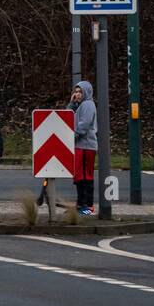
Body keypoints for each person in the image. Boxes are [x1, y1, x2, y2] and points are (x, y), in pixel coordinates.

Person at [69, 81, 98, 215]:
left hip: (86, 145)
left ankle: (88, 207)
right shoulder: (80, 106)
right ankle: (81, 204)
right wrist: (72, 103)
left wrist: (72, 136)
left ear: (86, 92)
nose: (77, 94)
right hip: (80, 146)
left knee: (86, 176)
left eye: (80, 92)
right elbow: (67, 116)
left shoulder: (88, 105)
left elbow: (84, 125)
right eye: (76, 91)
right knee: (79, 176)